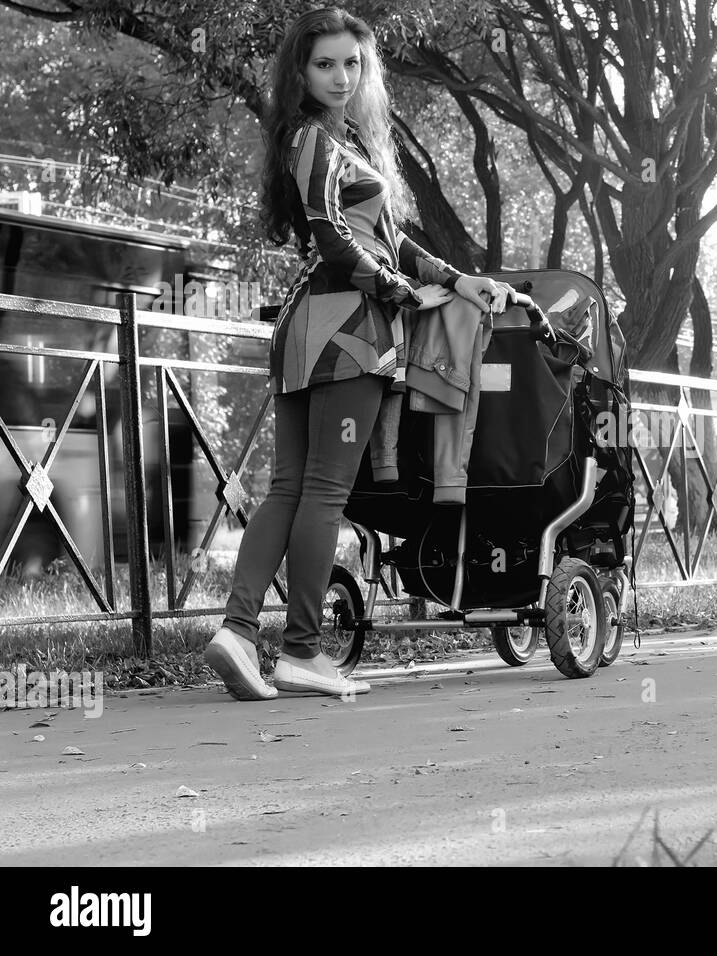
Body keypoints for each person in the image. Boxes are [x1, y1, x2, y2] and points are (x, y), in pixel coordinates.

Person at [204, 6, 510, 700]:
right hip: (349, 334)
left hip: (310, 332)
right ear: (300, 72)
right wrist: (403, 295)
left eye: (352, 63)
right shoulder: (314, 138)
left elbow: (390, 239)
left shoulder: (345, 146)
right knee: (322, 492)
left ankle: (238, 631)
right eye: (324, 64)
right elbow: (334, 238)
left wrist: (458, 279)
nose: (341, 76)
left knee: (289, 488)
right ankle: (303, 650)